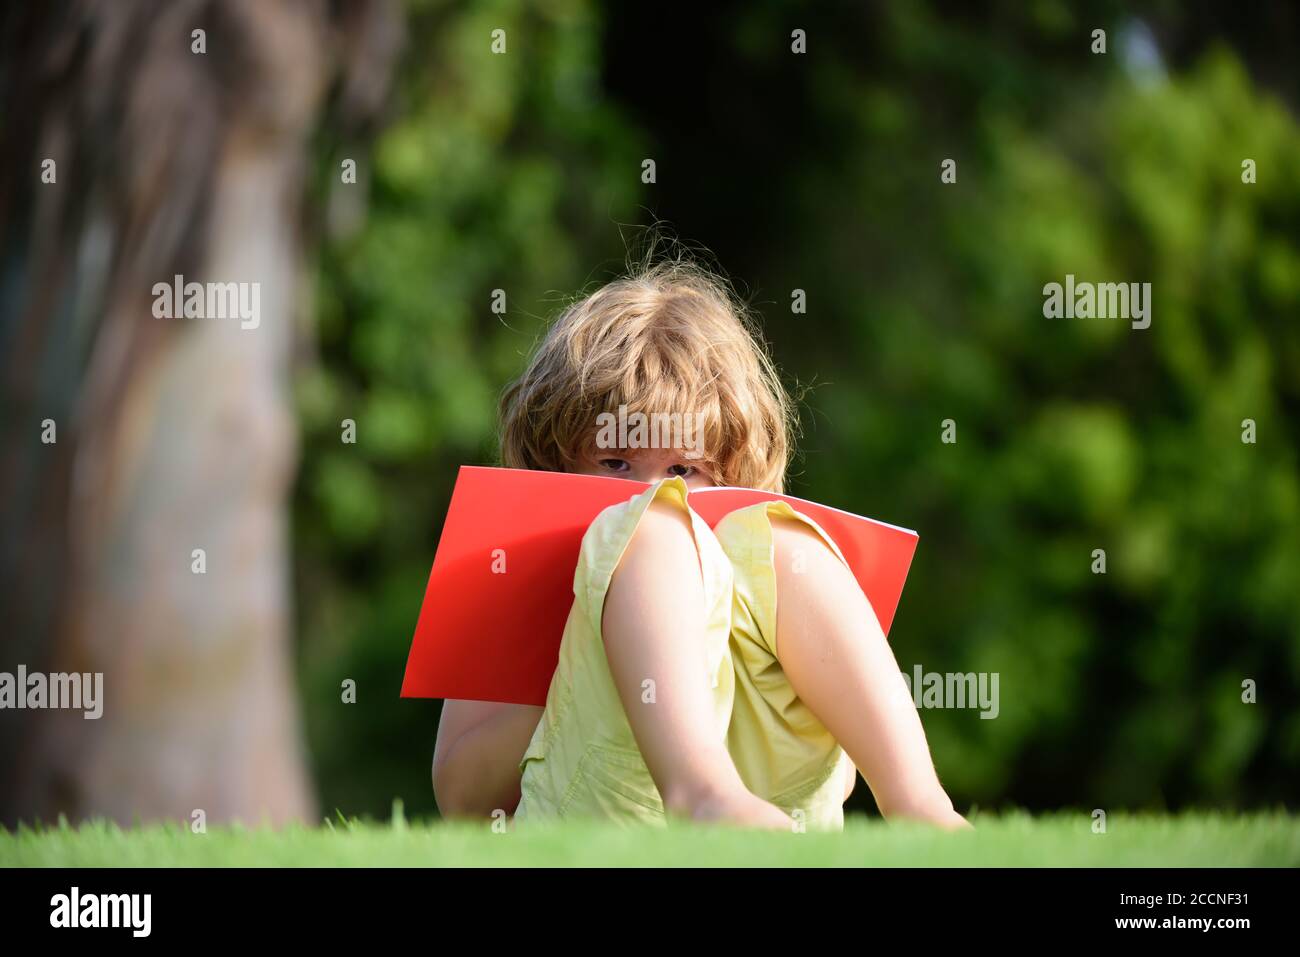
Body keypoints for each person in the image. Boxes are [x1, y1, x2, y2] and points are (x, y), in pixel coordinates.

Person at [432, 253, 968, 831]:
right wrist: (591, 660)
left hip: (775, 812)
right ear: (555, 464)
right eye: (614, 462)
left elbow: (833, 776)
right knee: (654, 532)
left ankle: (921, 805)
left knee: (788, 545)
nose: (649, 491)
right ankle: (703, 793)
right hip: (597, 813)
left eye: (682, 470)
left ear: (729, 473)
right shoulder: (516, 569)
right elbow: (463, 796)